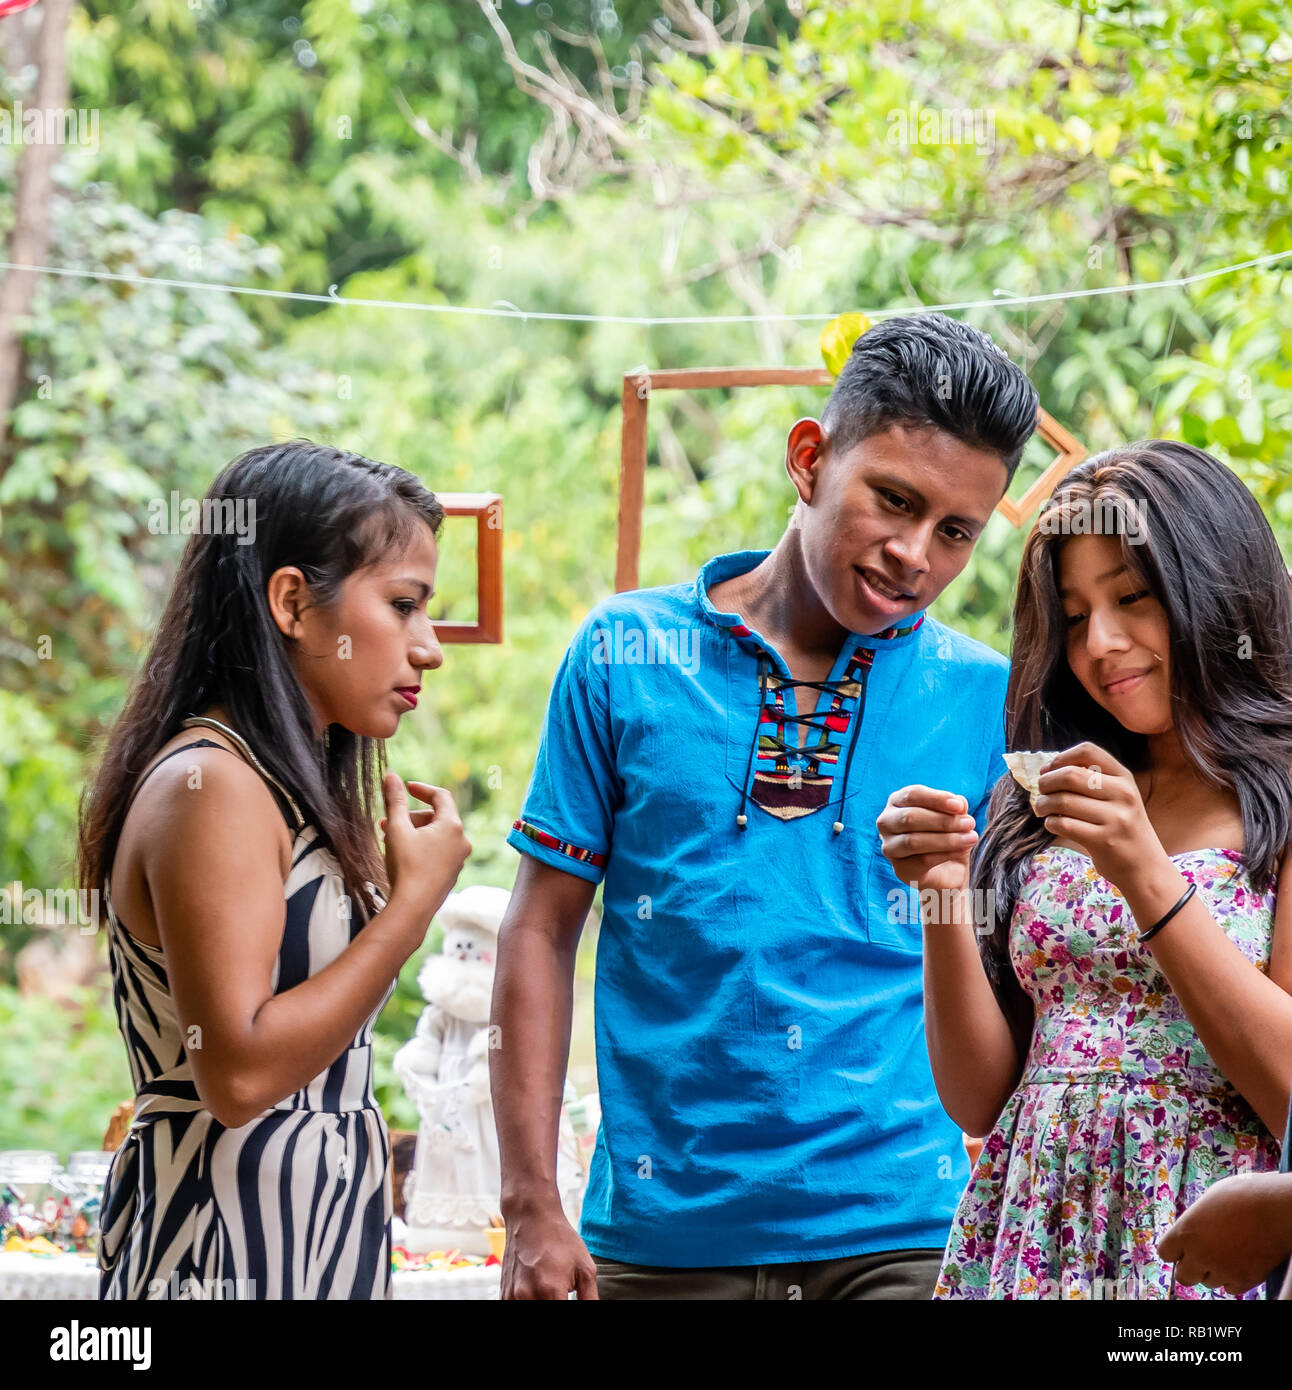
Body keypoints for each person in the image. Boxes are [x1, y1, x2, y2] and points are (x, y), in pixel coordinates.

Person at [492, 312, 1039, 1299]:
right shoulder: (623, 653)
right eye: (892, 499)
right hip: (661, 1243)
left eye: (953, 531)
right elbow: (538, 930)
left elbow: (1009, 971)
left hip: (906, 1237)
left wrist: (950, 892)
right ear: (807, 459)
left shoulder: (986, 699)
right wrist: (531, 1201)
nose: (915, 553)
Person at [879, 441, 1292, 1299]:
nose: (1101, 643)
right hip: (1031, 1238)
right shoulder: (1048, 798)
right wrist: (945, 899)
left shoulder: (1281, 802)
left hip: (1204, 1243)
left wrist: (1146, 873)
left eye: (1132, 598)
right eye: (1073, 617)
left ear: (1215, 586)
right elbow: (984, 1101)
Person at [79, 441, 471, 1300]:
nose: (429, 647)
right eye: (403, 606)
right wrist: (412, 908)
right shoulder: (212, 785)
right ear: (292, 602)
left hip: (305, 1252)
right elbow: (240, 1074)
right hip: (223, 1255)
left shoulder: (270, 787)